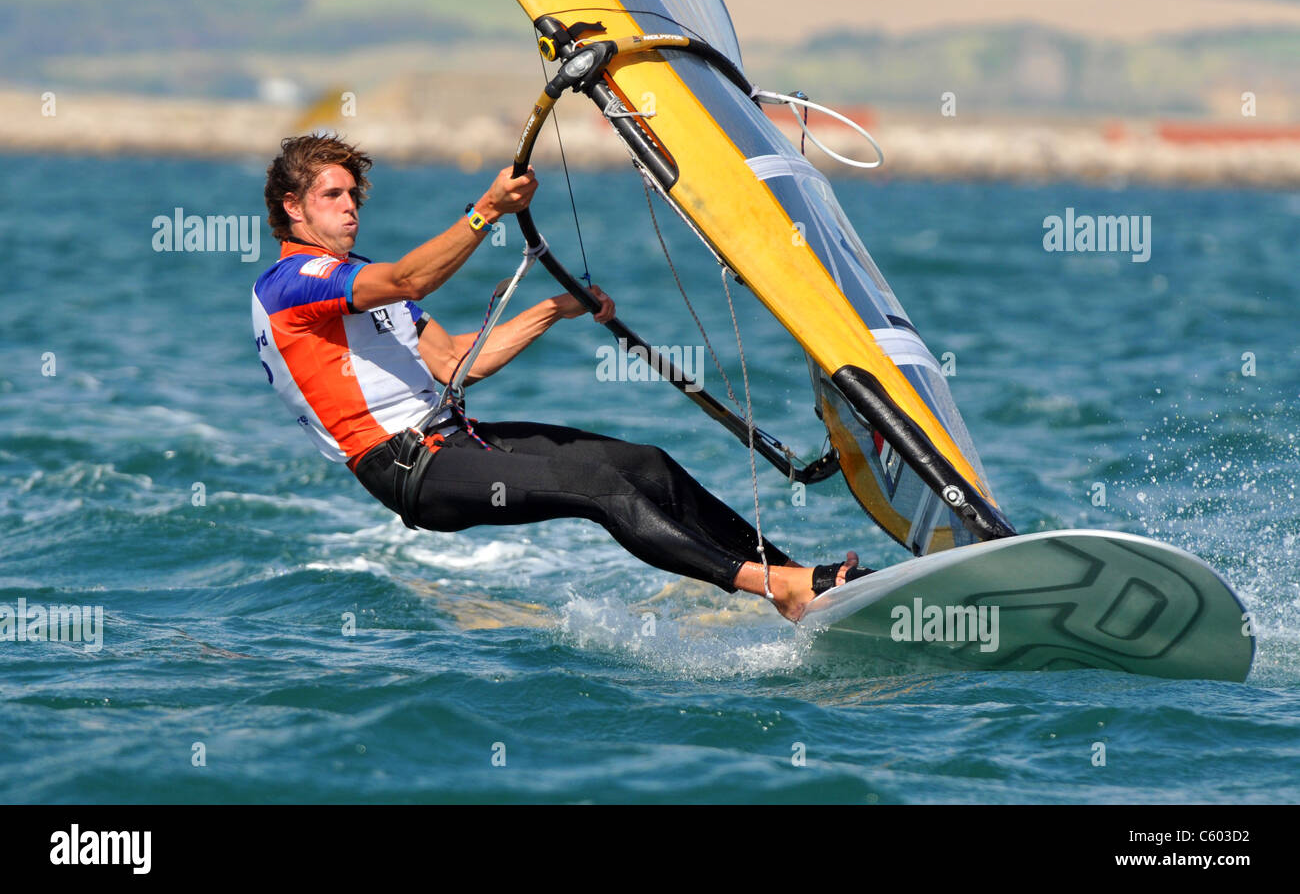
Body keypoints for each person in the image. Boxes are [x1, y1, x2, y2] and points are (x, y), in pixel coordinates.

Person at [250, 133, 869, 621]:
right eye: (333, 196)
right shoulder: (291, 283)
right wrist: (487, 210)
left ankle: (802, 581)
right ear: (292, 207)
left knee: (644, 464)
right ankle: (775, 589)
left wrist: (553, 308)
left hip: (454, 439)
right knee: (599, 487)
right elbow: (409, 279)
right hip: (408, 469)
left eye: (354, 195)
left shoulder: (354, 278)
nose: (350, 207)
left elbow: (456, 362)